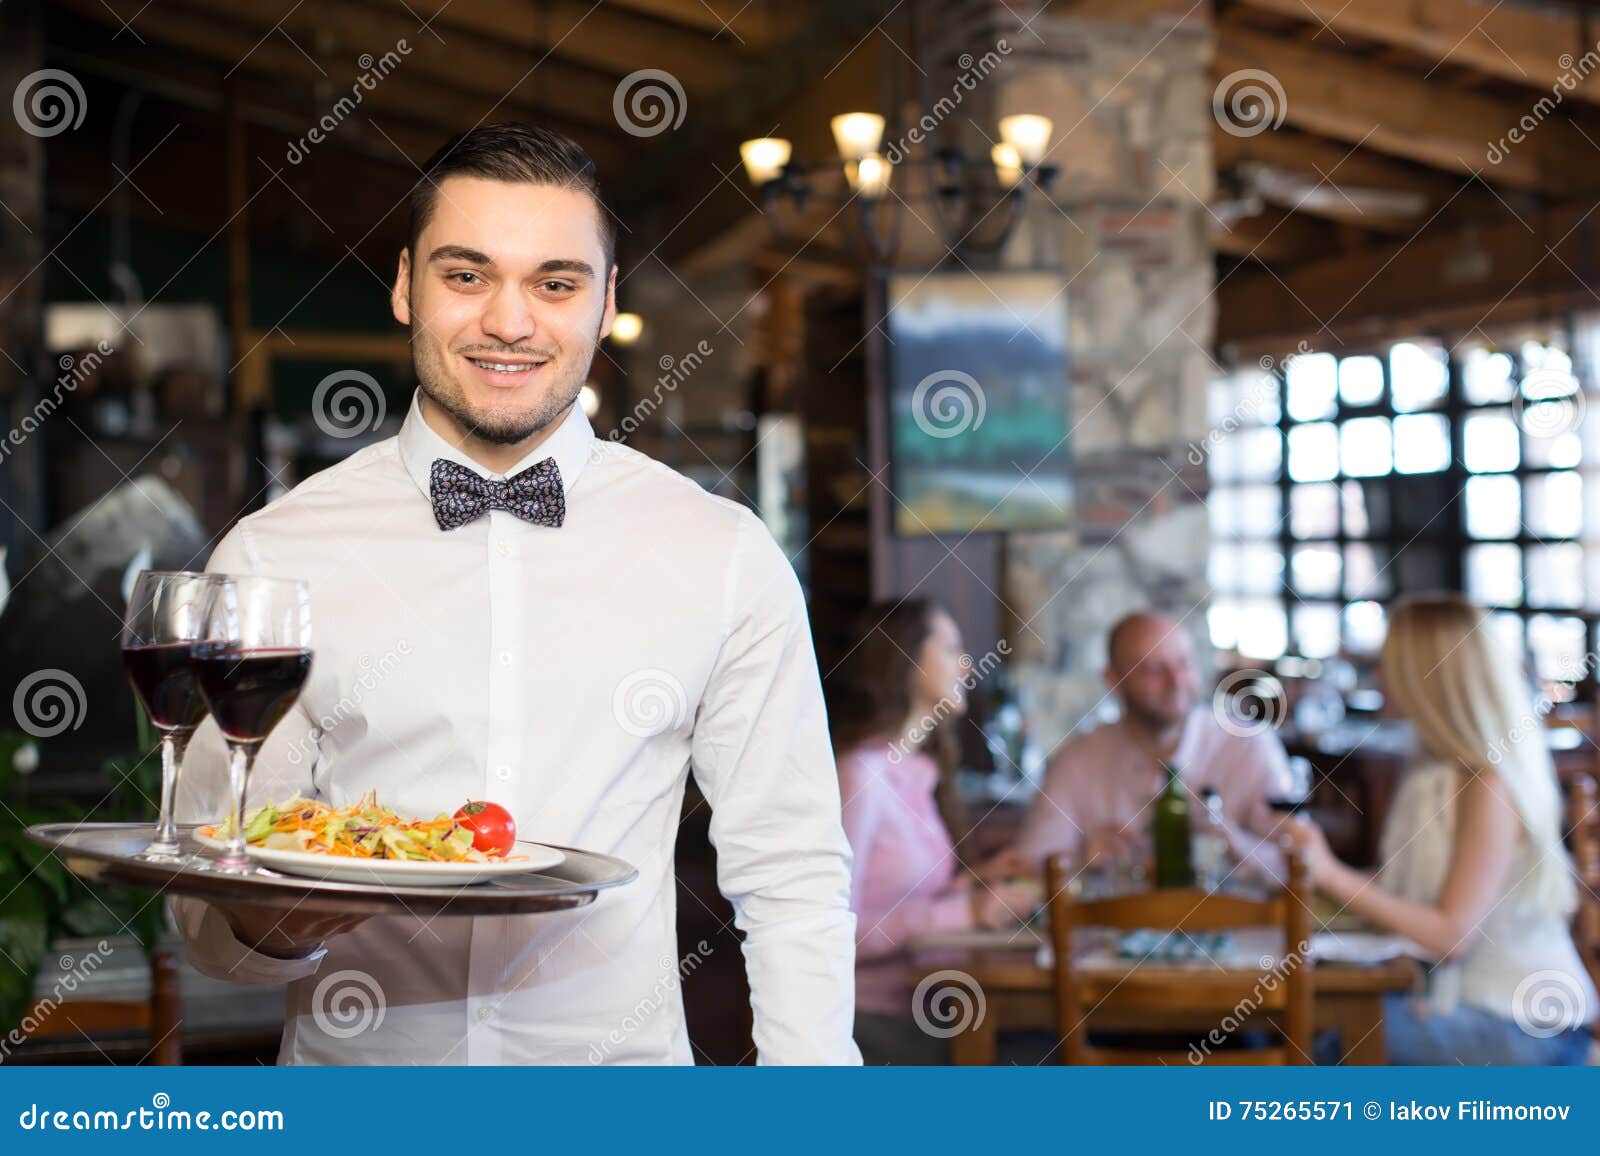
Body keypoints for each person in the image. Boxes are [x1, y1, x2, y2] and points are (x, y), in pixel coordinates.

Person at [173, 124, 859, 1065]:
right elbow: (210, 917)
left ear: (605, 301)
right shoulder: (269, 555)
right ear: (407, 283)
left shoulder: (722, 553)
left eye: (556, 282)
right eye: (467, 276)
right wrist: (279, 925)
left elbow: (792, 872)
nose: (510, 321)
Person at [1283, 594, 1596, 1064]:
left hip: (1526, 1027)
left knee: (1319, 1045)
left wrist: (1330, 874)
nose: (1379, 678)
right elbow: (1406, 897)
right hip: (1462, 1006)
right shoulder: (1435, 770)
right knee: (1304, 1032)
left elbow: (1451, 936)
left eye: (1389, 666)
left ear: (1426, 677)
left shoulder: (1487, 783)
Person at [829, 599, 1033, 1064]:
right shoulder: (860, 776)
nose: (967, 665)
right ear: (906, 659)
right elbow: (834, 933)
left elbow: (901, 900)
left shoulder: (919, 772)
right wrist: (965, 912)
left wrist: (971, 883)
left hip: (927, 1005)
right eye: (951, 648)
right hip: (873, 1023)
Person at [1011, 611, 1290, 881]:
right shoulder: (1076, 760)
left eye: (1184, 664)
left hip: (1238, 926)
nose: (1176, 682)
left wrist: (1233, 845)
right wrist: (1081, 859)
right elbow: (1027, 869)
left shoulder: (1249, 743)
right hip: (1113, 927)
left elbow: (1300, 862)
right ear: (1113, 680)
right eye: (1154, 669)